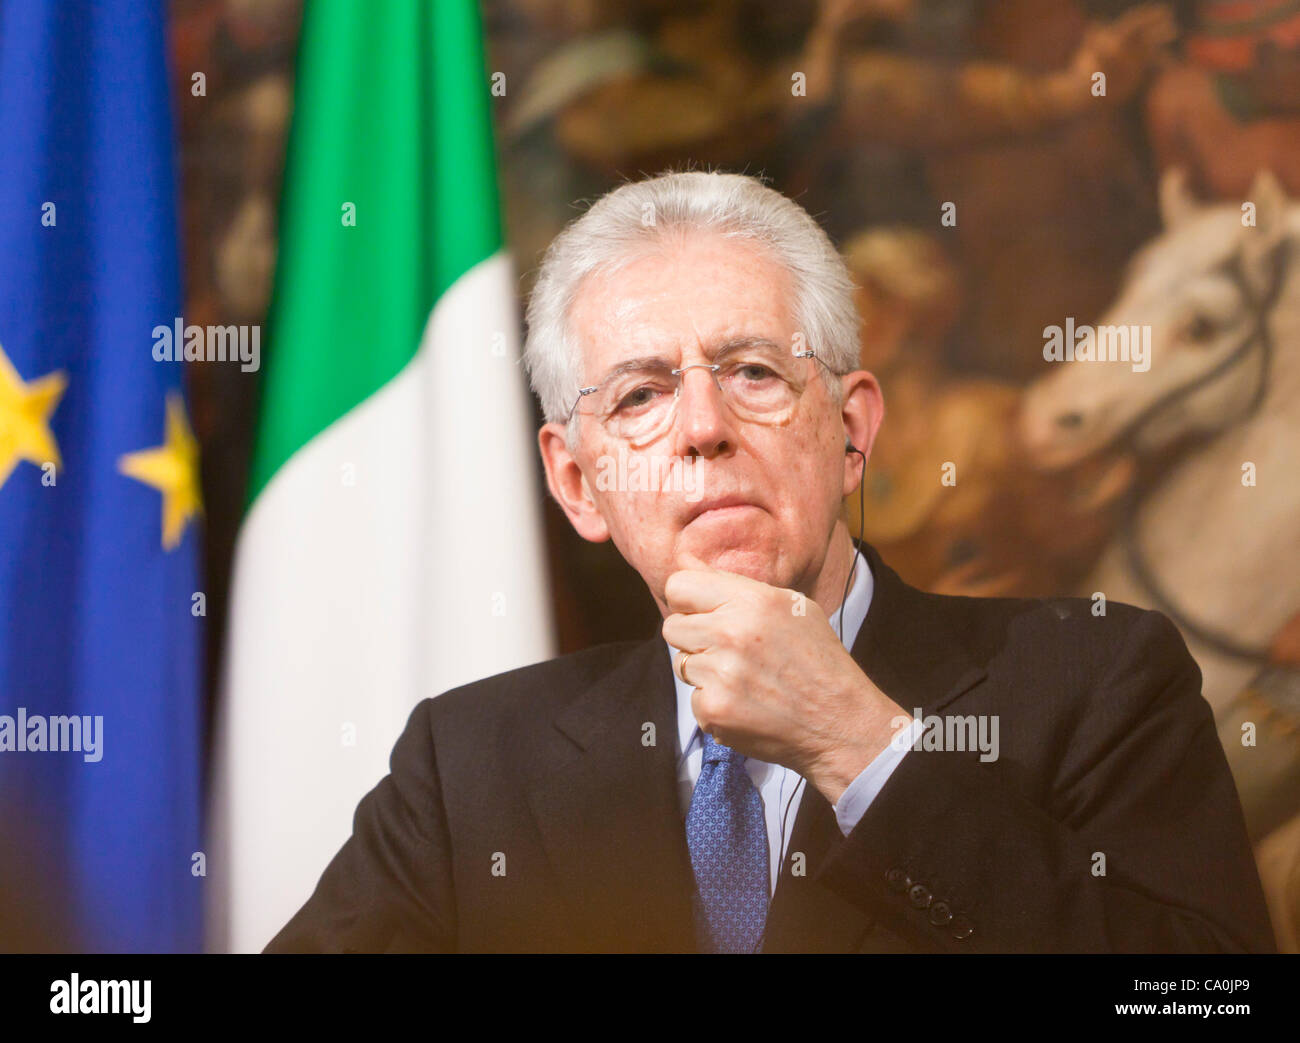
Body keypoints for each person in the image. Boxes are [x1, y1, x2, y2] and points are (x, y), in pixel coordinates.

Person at [264, 170, 1275, 953]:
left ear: (851, 431)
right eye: (639, 395)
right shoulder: (469, 761)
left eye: (752, 370)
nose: (703, 426)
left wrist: (865, 749)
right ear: (577, 482)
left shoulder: (1098, 680)